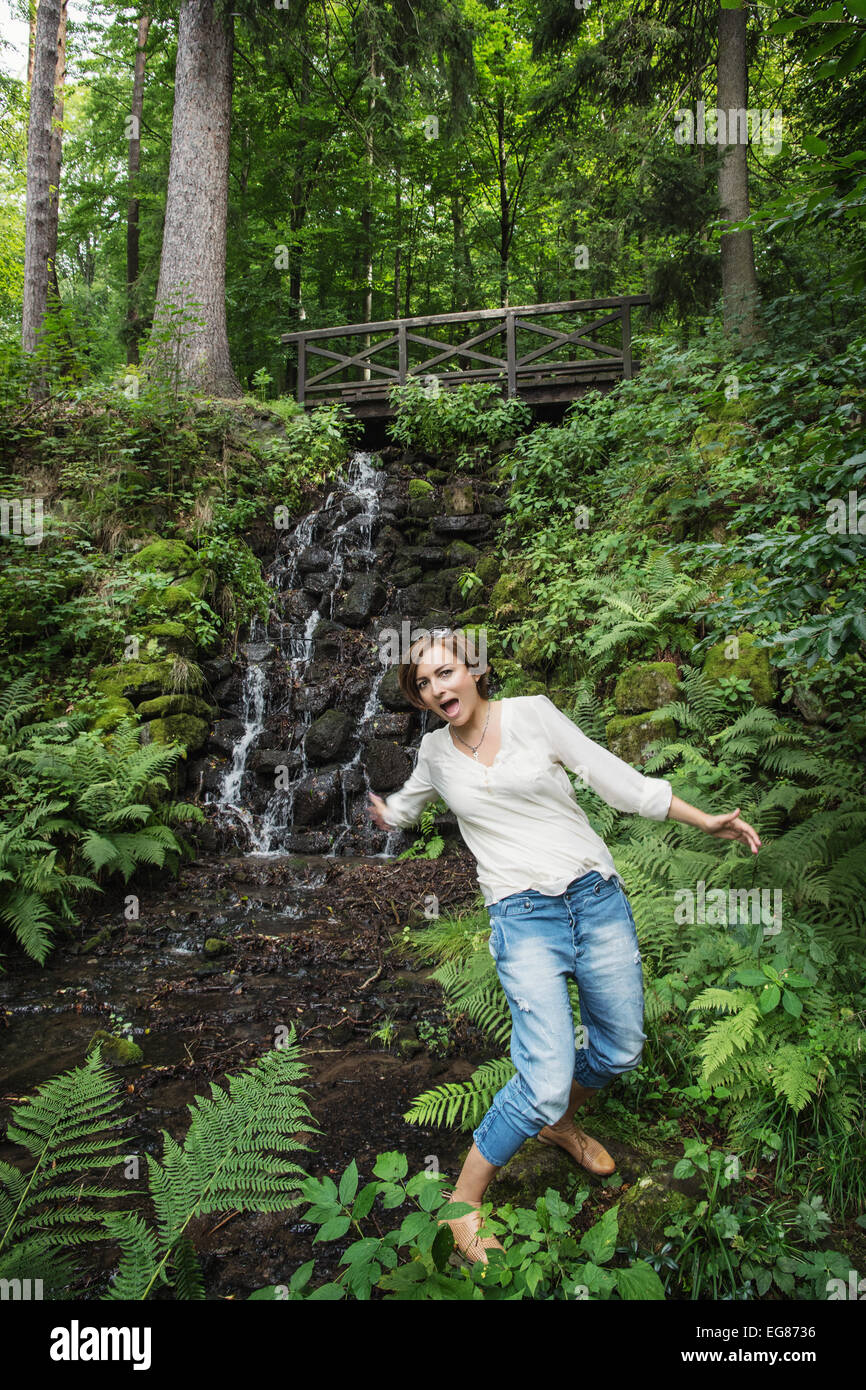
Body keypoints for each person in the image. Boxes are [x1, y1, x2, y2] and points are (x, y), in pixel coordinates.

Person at [367, 627, 761, 1266]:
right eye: (424, 683)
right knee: (545, 1075)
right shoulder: (435, 753)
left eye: (446, 673)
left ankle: (558, 1124)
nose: (439, 688)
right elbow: (410, 808)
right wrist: (386, 814)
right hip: (521, 919)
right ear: (419, 699)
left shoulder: (533, 716)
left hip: (594, 898)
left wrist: (705, 820)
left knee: (620, 1047)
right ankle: (462, 1205)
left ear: (474, 670)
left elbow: (618, 780)